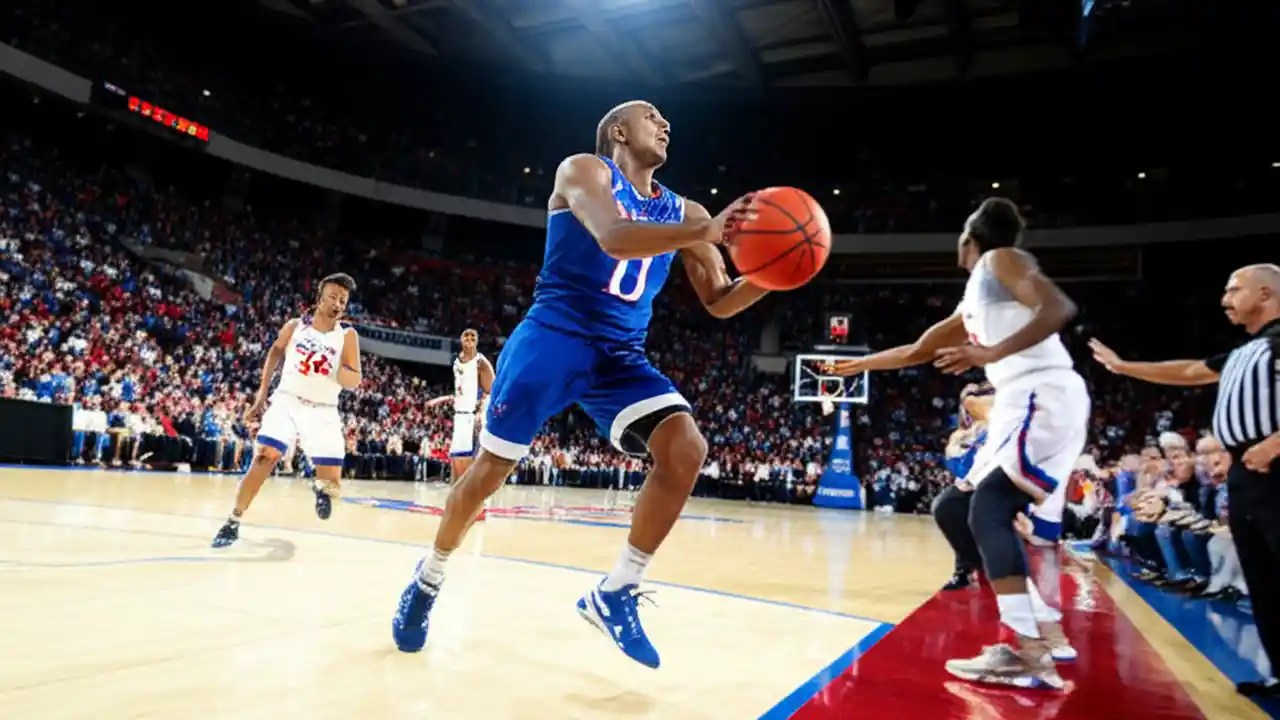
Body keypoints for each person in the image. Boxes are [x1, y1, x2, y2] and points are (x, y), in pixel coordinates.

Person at [391, 100, 772, 667]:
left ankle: (615, 590)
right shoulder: (583, 171)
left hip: (619, 354)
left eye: (667, 120)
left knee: (686, 447)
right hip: (553, 337)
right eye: (652, 116)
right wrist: (709, 228)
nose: (666, 124)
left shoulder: (686, 211)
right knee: (485, 476)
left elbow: (719, 301)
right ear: (618, 131)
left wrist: (772, 275)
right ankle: (429, 577)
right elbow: (616, 236)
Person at [833, 197, 1086, 689]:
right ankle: (1045, 631)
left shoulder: (1000, 259)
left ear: (969, 239)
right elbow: (917, 350)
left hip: (1040, 393)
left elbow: (1058, 307)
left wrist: (990, 352)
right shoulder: (975, 298)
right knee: (954, 506)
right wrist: (860, 365)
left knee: (987, 509)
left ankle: (1027, 652)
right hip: (1025, 400)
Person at [1089, 263, 1280, 698]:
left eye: (1234, 290)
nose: (1225, 299)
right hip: (1246, 474)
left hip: (1273, 465)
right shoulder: (1241, 352)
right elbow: (1191, 371)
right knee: (1265, 579)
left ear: (1266, 293)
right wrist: (1125, 367)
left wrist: (1275, 444)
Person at [211, 273, 362, 548]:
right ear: (319, 298)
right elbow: (275, 352)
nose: (338, 303)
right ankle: (232, 521)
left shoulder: (347, 336)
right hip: (287, 401)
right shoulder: (295, 326)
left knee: (332, 485)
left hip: (323, 410)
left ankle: (320, 485)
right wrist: (261, 397)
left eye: (343, 299)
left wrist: (338, 371)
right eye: (333, 297)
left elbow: (355, 380)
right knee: (265, 456)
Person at [426, 329, 495, 484]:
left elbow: (491, 390)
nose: (469, 338)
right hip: (460, 416)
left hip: (471, 416)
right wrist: (439, 400)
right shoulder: (457, 362)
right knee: (456, 462)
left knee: (468, 463)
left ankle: (472, 502)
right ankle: (457, 498)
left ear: (477, 340)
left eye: (473, 336)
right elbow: (460, 394)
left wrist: (481, 412)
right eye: (466, 335)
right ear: (461, 339)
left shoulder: (480, 361)